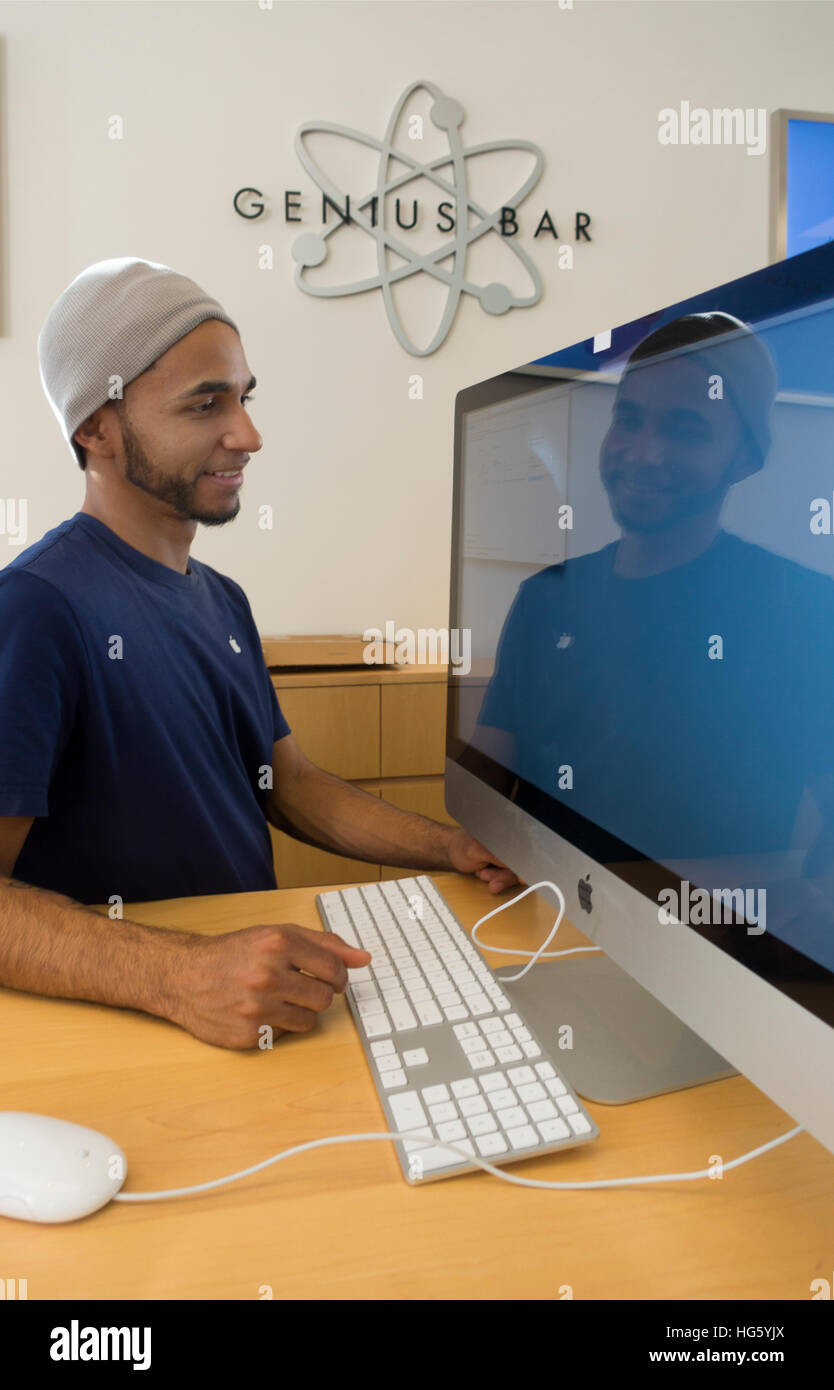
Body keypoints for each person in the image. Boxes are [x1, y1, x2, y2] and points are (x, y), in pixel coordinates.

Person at [0, 257, 518, 1050]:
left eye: (243, 398)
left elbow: (292, 785)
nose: (247, 434)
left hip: (251, 1013)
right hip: (138, 1027)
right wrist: (177, 975)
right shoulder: (36, 606)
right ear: (95, 428)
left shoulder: (221, 598)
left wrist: (447, 844)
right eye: (205, 404)